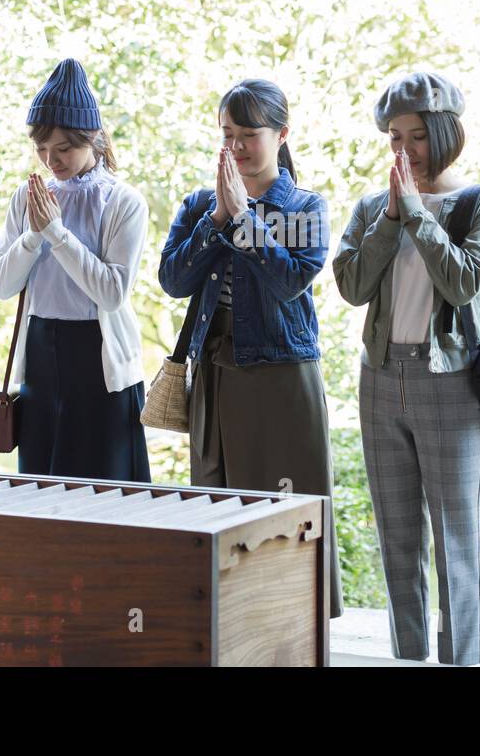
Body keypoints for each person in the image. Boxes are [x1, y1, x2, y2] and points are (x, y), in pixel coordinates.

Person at [332, 71, 480, 664]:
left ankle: (462, 660)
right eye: (393, 138)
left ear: (444, 133)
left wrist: (416, 213)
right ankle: (408, 659)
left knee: (456, 541)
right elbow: (352, 286)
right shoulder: (369, 209)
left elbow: (463, 285)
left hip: (451, 386)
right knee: (397, 539)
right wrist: (390, 219)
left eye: (416, 136)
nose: (403, 150)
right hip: (380, 379)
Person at [157, 79, 344, 619]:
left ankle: (295, 629)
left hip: (283, 377)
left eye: (249, 134)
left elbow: (291, 282)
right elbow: (173, 279)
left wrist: (245, 218)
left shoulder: (306, 206)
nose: (236, 146)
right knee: (220, 510)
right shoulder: (199, 204)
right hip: (214, 377)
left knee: (287, 512)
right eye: (227, 134)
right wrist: (217, 218)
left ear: (282, 134)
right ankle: (234, 631)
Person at [0, 57, 151, 482]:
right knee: (41, 488)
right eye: (41, 148)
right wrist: (34, 235)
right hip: (41, 350)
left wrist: (57, 233)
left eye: (63, 148)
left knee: (103, 492)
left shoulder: (123, 201)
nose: (50, 159)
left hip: (100, 358)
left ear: (93, 138)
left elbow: (113, 292)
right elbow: (2, 284)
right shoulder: (27, 198)